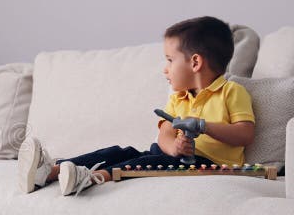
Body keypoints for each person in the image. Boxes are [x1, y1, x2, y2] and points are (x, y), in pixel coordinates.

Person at [17, 16, 255, 196]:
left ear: (195, 62)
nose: (165, 68)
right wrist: (174, 148)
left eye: (170, 60)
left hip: (211, 165)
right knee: (121, 152)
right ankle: (51, 171)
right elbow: (165, 134)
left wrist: (203, 126)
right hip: (172, 156)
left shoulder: (231, 92)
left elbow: (245, 133)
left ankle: (90, 178)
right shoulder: (178, 98)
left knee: (144, 163)